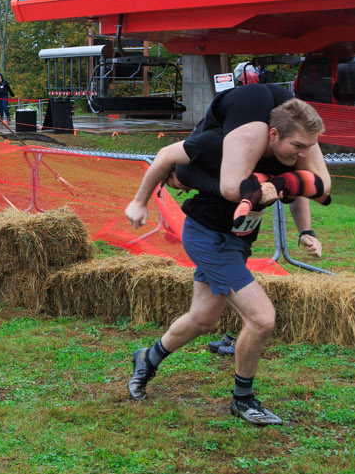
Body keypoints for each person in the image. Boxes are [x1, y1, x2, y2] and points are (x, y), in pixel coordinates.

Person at [123, 90, 331, 426]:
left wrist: (307, 232)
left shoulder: (286, 157)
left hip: (237, 242)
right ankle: (243, 399)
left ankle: (147, 358)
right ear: (273, 134)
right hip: (207, 236)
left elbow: (297, 192)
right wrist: (140, 202)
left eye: (309, 148)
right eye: (299, 147)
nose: (305, 154)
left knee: (203, 318)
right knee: (262, 318)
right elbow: (163, 156)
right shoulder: (220, 142)